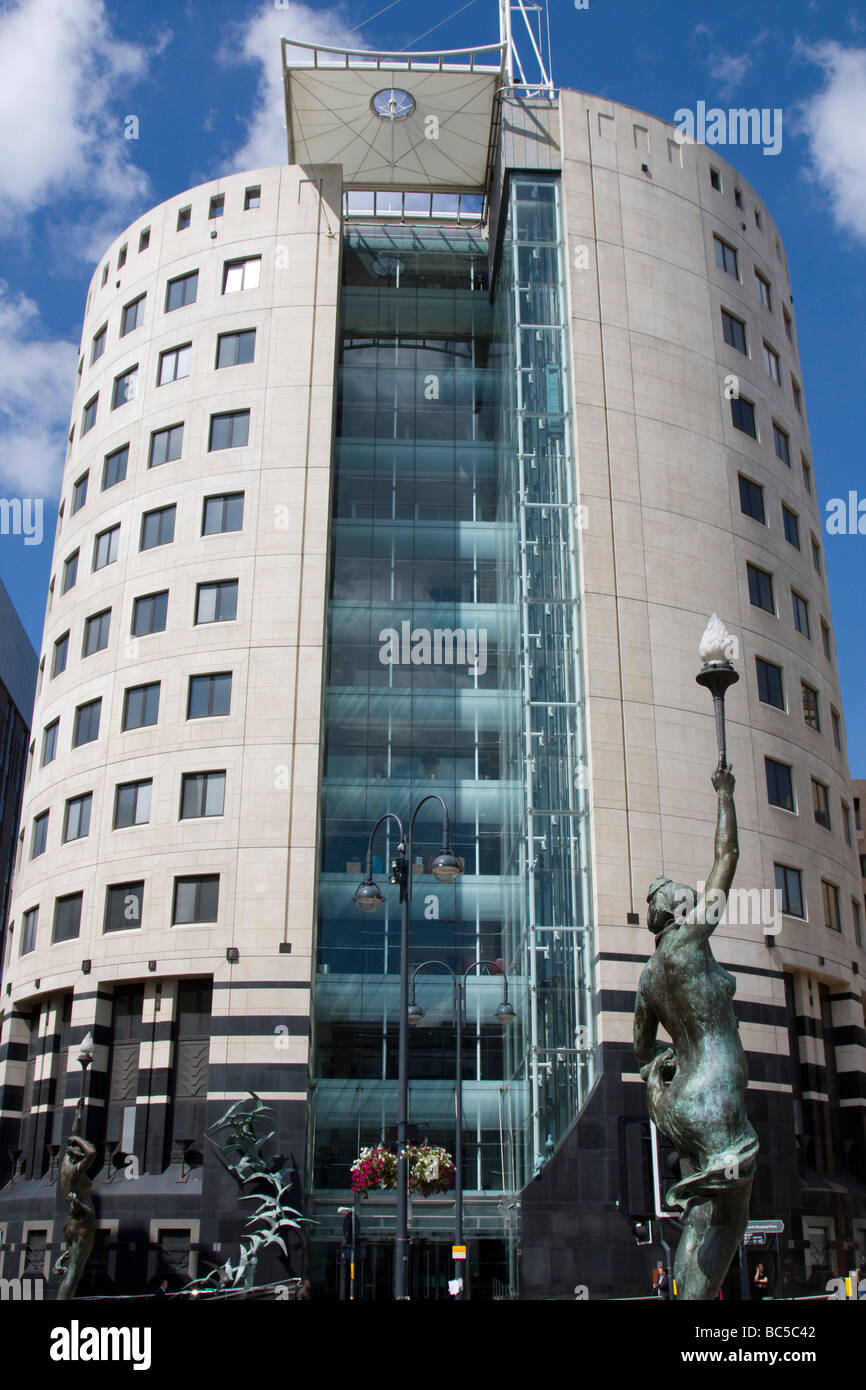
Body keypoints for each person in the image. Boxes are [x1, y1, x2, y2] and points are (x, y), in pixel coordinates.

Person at [634, 765, 758, 1301]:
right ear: (677, 911)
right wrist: (724, 793)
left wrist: (664, 1066)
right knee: (729, 1219)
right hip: (716, 1094)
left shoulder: (648, 977)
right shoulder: (692, 939)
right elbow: (727, 856)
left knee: (702, 1217)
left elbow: (641, 1049)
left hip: (680, 1102)